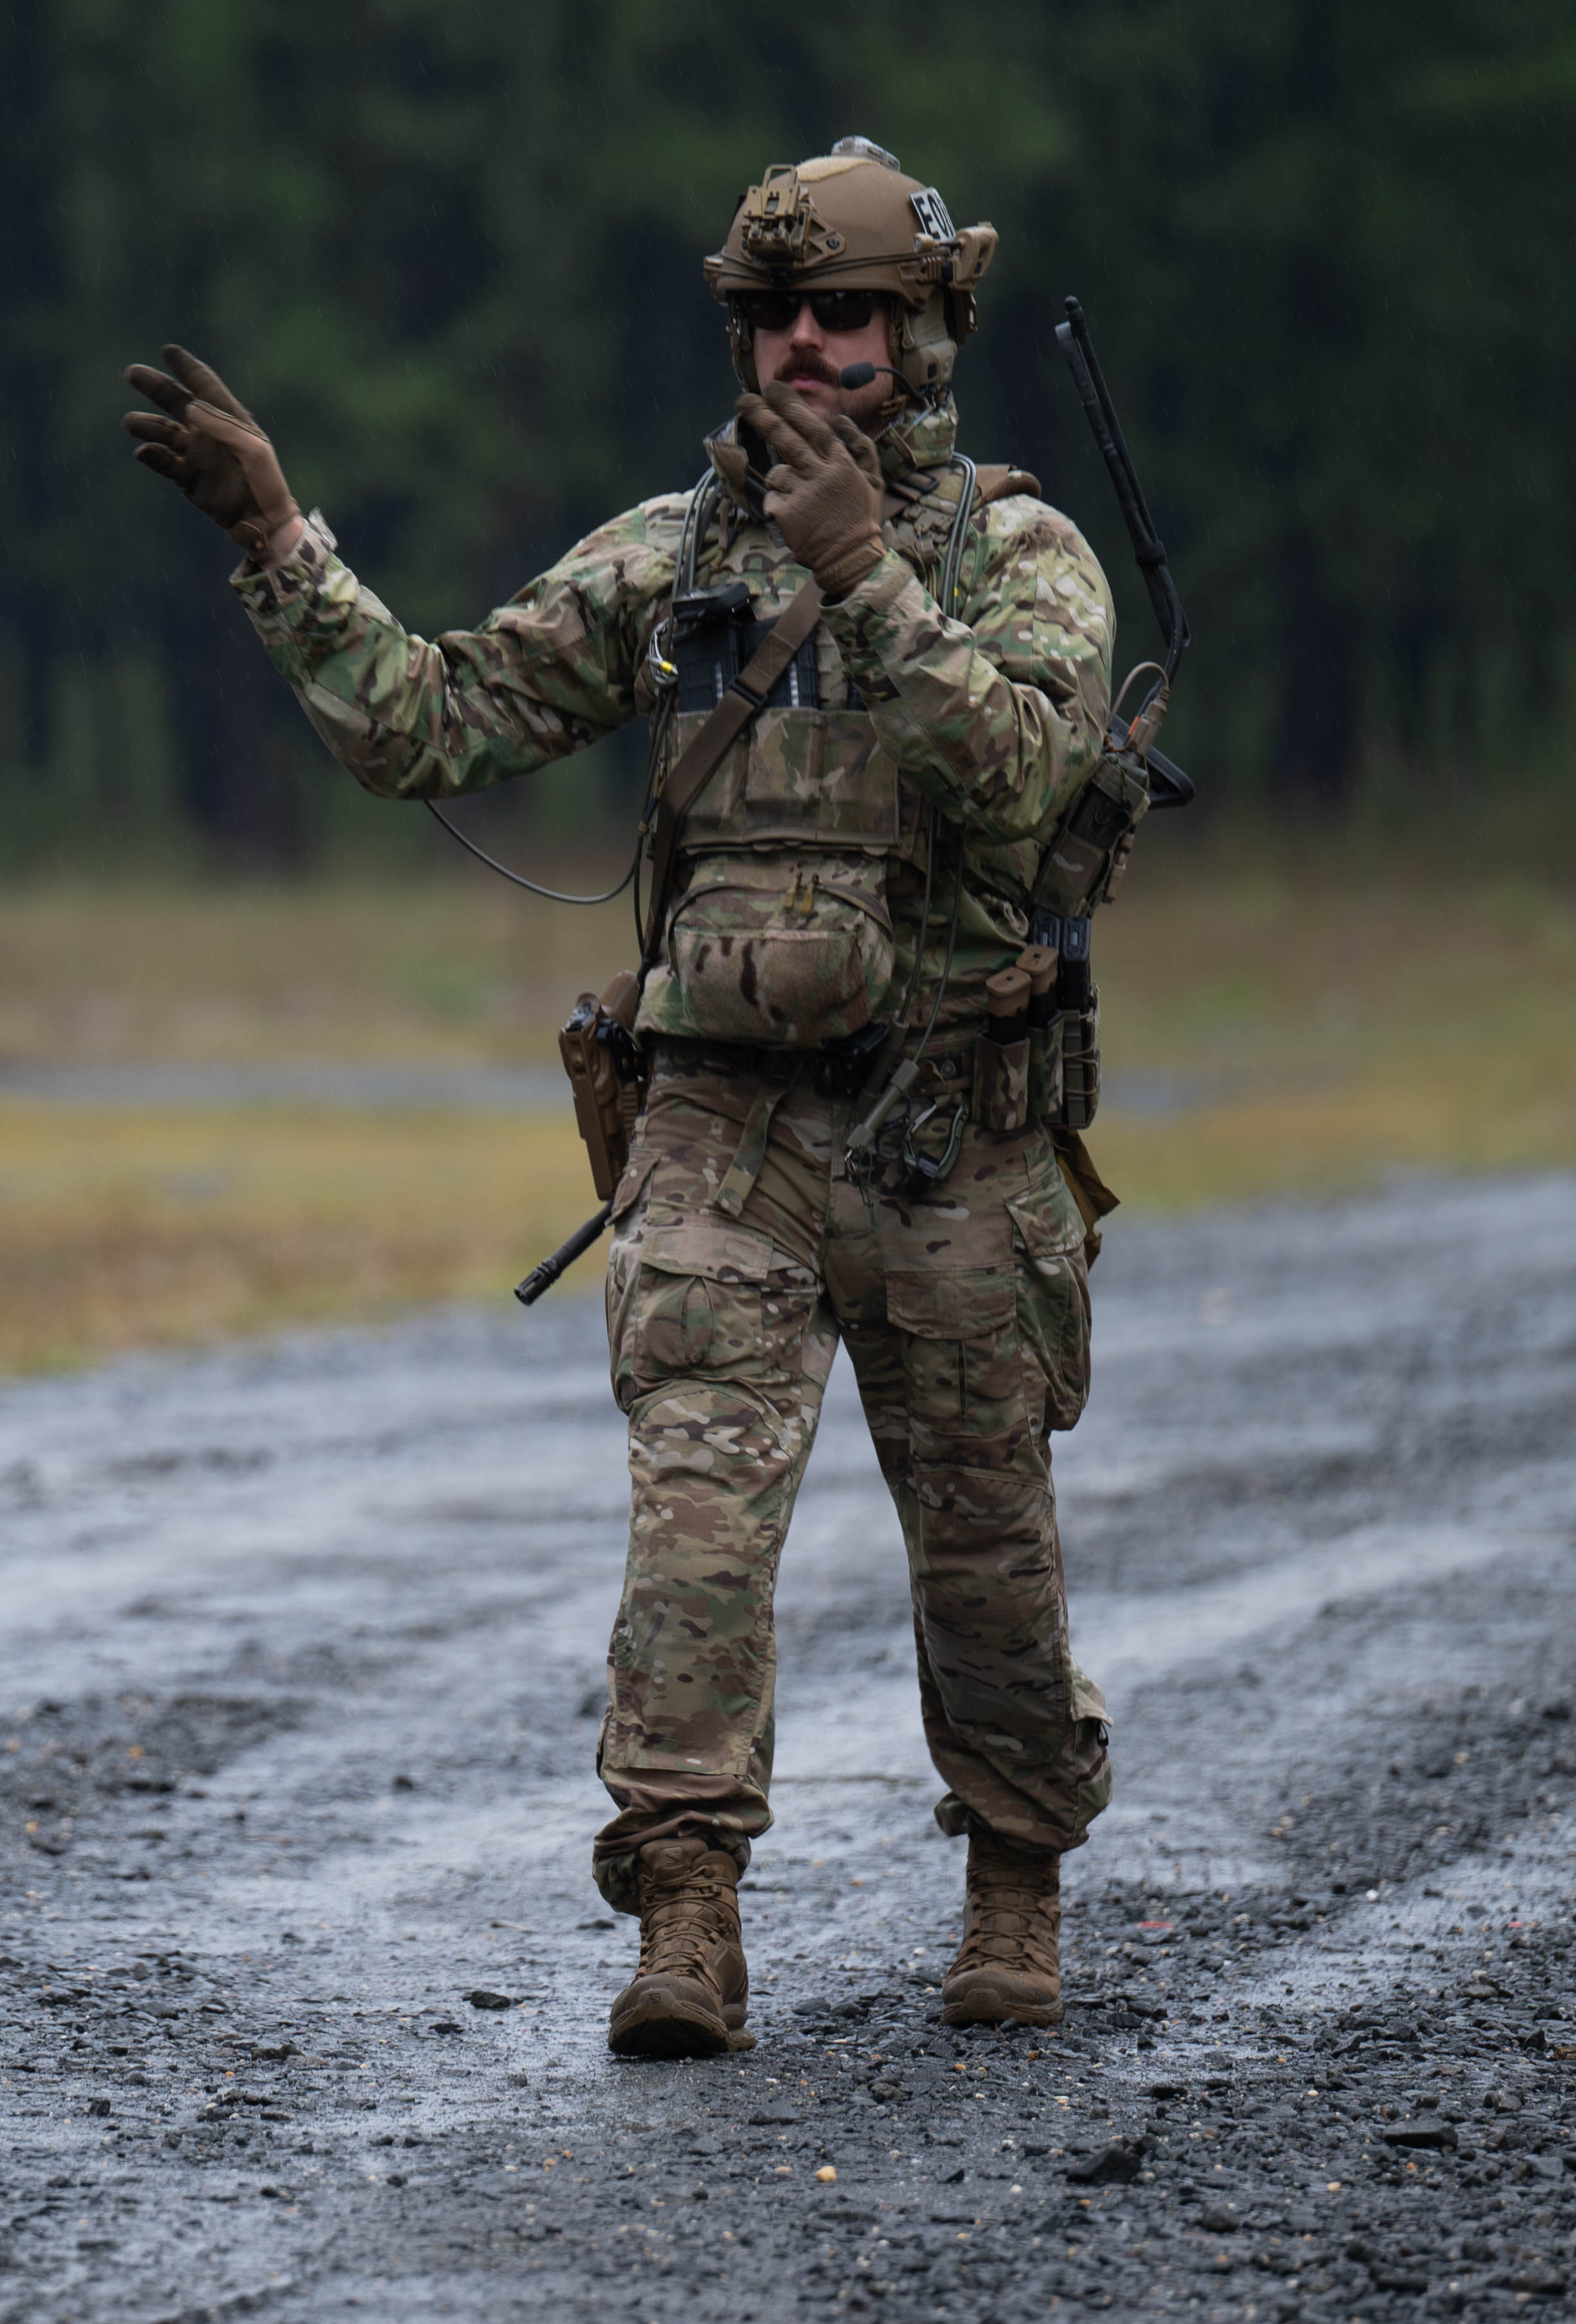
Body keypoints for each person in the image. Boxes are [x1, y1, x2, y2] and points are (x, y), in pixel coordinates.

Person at [123, 140, 1118, 2058]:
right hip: (722, 1132)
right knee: (693, 1542)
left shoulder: (1021, 559)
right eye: (775, 315)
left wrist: (863, 570)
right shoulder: (671, 557)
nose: (807, 346)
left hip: (951, 1130)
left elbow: (1016, 777)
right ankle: (686, 1915)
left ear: (926, 333)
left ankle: (1014, 1878)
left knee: (988, 1546)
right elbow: (431, 720)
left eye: (848, 313)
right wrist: (278, 540)